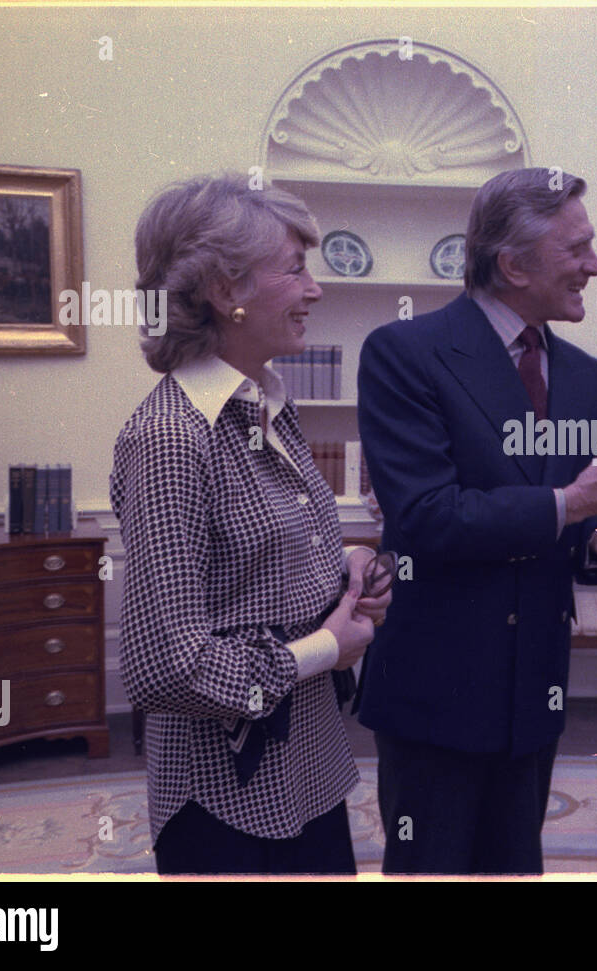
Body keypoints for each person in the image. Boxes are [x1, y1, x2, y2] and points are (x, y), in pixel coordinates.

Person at [356, 167, 597, 874]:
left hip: (534, 690)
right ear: (513, 263)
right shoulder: (404, 354)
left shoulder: (585, 374)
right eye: (579, 248)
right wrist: (575, 506)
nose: (595, 265)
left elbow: (573, 532)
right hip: (437, 691)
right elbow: (428, 516)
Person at [110, 174, 390, 875]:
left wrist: (345, 565)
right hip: (222, 801)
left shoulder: (264, 404)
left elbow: (254, 564)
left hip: (310, 772)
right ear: (225, 291)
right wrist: (328, 647)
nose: (315, 289)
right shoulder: (172, 437)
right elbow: (164, 668)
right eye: (295, 269)